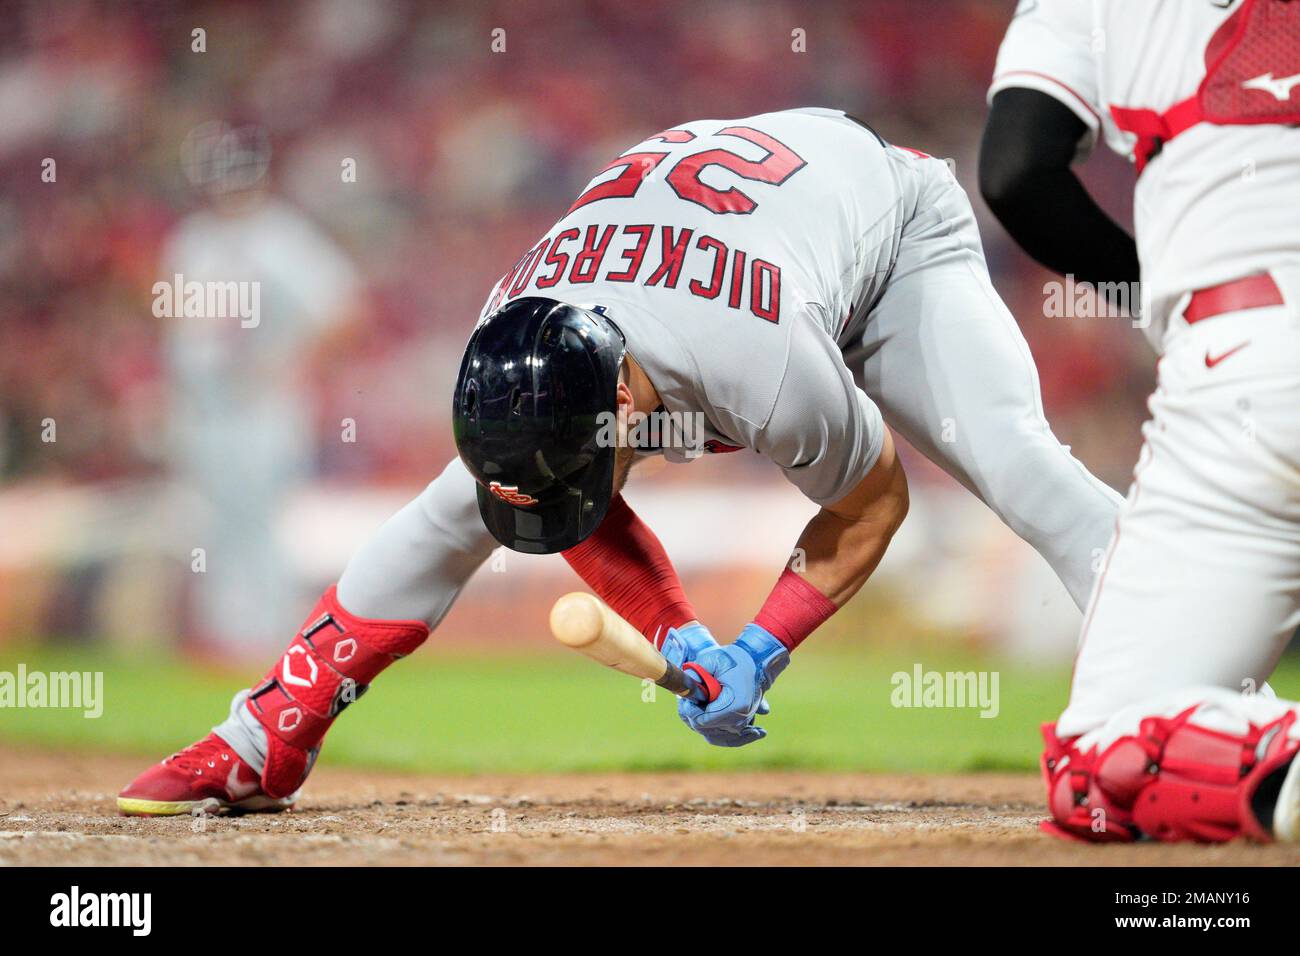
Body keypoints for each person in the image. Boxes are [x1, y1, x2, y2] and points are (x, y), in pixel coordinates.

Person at [118, 107, 1120, 815]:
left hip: (891, 236)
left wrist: (761, 647)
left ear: (629, 399)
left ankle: (1167, 691)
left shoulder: (752, 356)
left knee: (1014, 464)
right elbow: (561, 490)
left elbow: (871, 502)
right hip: (725, 248)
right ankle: (261, 738)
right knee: (450, 508)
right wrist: (680, 635)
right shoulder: (519, 338)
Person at [980, 0, 1300, 842]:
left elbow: (1016, 171)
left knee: (1106, 765)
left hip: (1245, 364)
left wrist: (1158, 295)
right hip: (1243, 370)